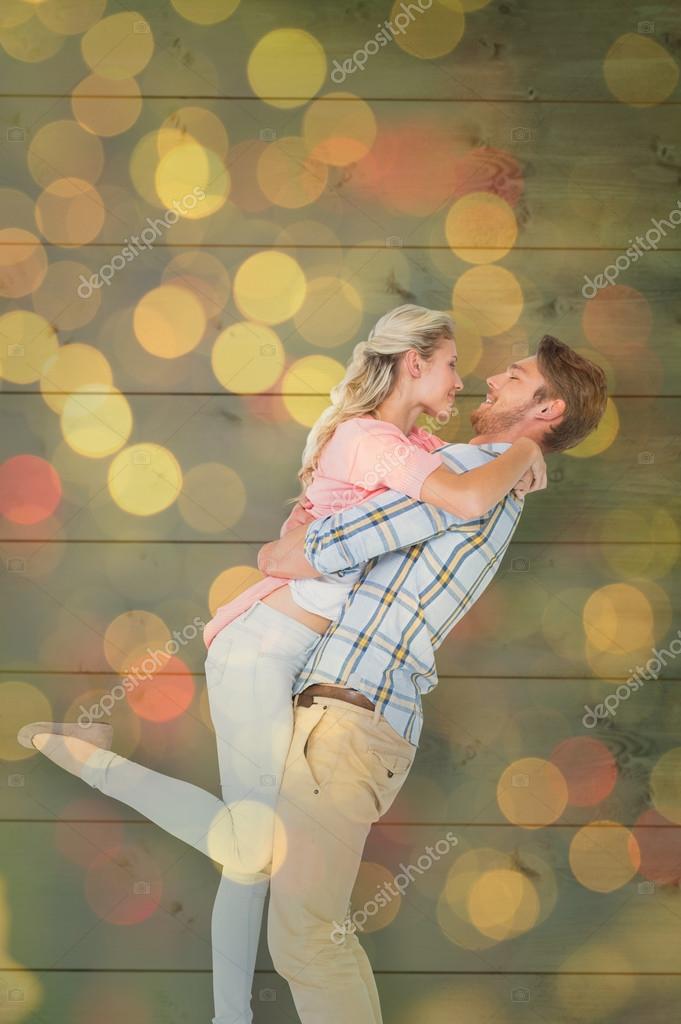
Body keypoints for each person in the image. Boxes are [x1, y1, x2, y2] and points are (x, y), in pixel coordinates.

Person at [17, 304, 545, 1024]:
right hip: (261, 647)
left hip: (289, 657)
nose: (463, 380)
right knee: (250, 853)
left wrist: (514, 453)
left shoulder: (407, 444)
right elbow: (455, 497)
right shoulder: (372, 440)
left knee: (248, 848)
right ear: (413, 362)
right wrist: (523, 451)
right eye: (452, 364)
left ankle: (88, 757)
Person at [257, 334, 608, 1024]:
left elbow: (329, 545)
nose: (490, 378)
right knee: (312, 934)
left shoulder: (471, 470)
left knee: (304, 938)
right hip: (348, 718)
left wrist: (282, 549)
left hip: (348, 720)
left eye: (513, 378)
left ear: (547, 407)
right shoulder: (490, 471)